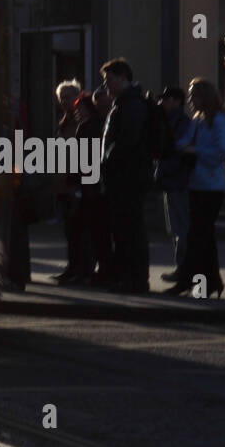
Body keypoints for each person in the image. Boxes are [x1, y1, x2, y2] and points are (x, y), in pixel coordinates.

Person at [164, 78, 225, 298]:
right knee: (204, 237)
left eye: (194, 95)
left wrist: (196, 151)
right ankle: (212, 282)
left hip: (211, 186)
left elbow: (223, 151)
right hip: (196, 184)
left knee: (197, 237)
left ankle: (189, 281)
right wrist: (176, 146)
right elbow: (184, 141)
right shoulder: (198, 119)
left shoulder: (218, 121)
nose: (191, 99)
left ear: (205, 96)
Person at [98, 57, 152, 294]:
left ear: (123, 78)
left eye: (109, 80)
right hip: (124, 176)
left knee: (130, 229)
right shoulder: (124, 103)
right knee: (123, 229)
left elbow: (128, 140)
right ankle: (127, 277)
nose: (106, 85)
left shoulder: (132, 105)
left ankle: (134, 279)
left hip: (128, 177)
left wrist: (108, 159)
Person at [153, 84, 194, 280]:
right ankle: (182, 268)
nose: (162, 103)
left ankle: (184, 269)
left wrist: (166, 170)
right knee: (176, 228)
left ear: (176, 101)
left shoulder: (181, 123)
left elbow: (177, 153)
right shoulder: (168, 121)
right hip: (171, 181)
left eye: (166, 99)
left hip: (178, 181)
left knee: (181, 227)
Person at [74, 85, 112, 284]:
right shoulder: (95, 125)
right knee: (97, 230)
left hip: (97, 184)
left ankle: (101, 269)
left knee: (99, 230)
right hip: (94, 184)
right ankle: (99, 268)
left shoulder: (92, 126)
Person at [52, 79, 84, 283]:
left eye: (68, 97)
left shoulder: (81, 119)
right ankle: (72, 267)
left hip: (75, 181)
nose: (64, 101)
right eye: (61, 98)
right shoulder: (64, 120)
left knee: (78, 228)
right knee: (70, 229)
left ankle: (80, 269)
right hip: (64, 182)